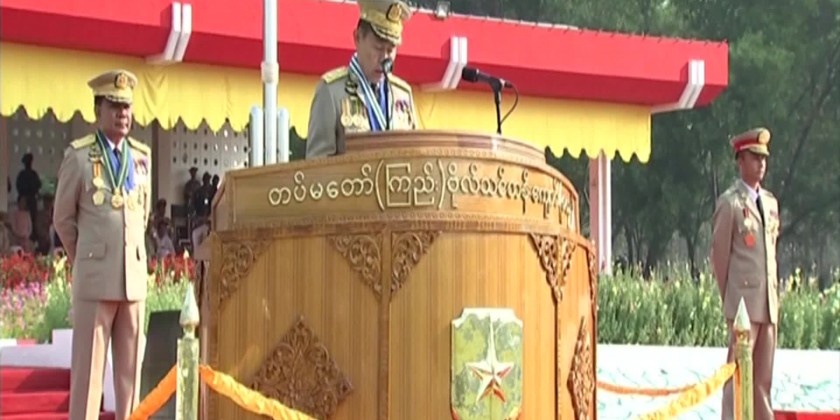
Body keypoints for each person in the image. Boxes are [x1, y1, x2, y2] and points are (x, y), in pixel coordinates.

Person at [53, 69, 152, 420]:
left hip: (133, 281)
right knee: (88, 377)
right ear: (99, 109)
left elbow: (143, 215)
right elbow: (62, 219)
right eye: (115, 106)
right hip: (96, 281)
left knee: (130, 378)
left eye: (127, 107)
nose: (123, 113)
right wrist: (86, 259)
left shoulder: (141, 157)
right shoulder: (79, 157)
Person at [711, 127, 781, 420]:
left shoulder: (770, 203)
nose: (761, 163)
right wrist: (730, 298)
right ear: (740, 160)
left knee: (762, 380)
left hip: (767, 302)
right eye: (754, 157)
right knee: (738, 375)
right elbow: (719, 257)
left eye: (763, 158)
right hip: (743, 303)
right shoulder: (731, 203)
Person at [305, 0, 419, 159]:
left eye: (391, 50)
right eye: (378, 48)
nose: (385, 59)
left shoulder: (403, 95)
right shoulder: (331, 92)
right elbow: (316, 168)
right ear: (357, 38)